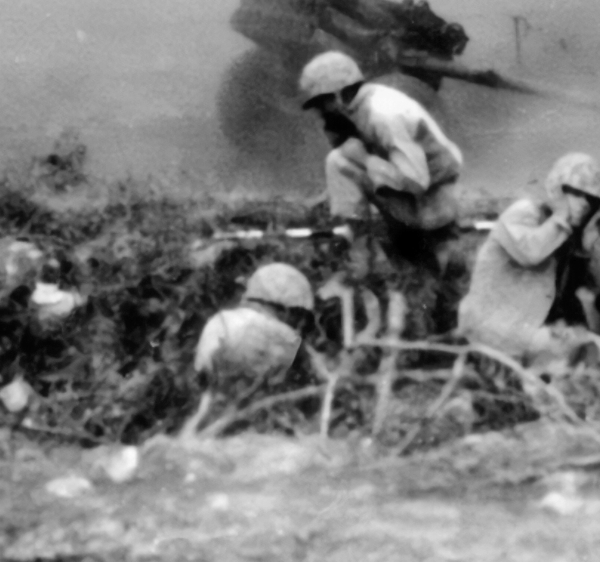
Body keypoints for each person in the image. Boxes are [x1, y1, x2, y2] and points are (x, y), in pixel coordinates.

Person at [299, 50, 467, 339]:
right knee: (425, 278)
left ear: (339, 94)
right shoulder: (359, 107)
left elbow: (416, 178)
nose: (320, 112)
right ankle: (369, 257)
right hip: (415, 201)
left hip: (430, 203)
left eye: (321, 102)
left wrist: (365, 161)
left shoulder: (384, 114)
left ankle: (363, 259)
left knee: (339, 161)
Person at [458, 153, 600, 375]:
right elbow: (531, 253)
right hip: (495, 330)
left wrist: (583, 248)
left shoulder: (563, 237)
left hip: (532, 333)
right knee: (570, 361)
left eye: (591, 200)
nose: (584, 204)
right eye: (576, 193)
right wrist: (562, 217)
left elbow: (570, 297)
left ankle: (591, 404)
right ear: (557, 190)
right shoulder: (524, 212)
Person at [194, 261, 318, 399]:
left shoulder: (218, 321)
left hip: (213, 408)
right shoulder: (288, 338)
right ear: (285, 309)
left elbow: (201, 375)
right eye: (297, 315)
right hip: (257, 411)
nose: (297, 324)